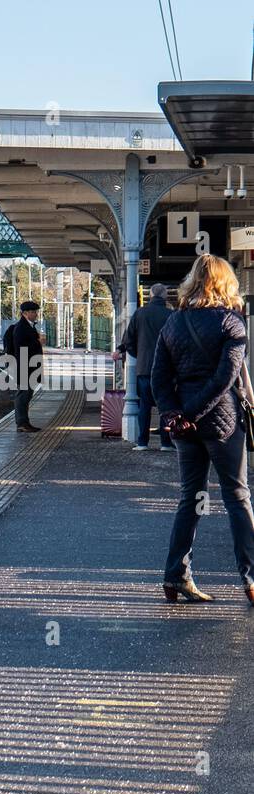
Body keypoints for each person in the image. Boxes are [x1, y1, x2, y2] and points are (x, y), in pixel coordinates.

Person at [152, 253, 254, 603]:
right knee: (237, 498)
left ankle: (176, 575)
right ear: (226, 283)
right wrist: (191, 413)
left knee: (190, 499)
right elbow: (225, 379)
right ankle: (251, 579)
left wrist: (174, 415)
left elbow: (159, 377)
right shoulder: (232, 323)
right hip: (222, 424)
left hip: (186, 426)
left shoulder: (173, 323)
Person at [116, 282, 175, 451]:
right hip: (166, 369)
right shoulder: (171, 315)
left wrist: (139, 355)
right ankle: (166, 442)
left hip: (144, 368)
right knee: (165, 406)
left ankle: (142, 442)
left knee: (144, 406)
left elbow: (128, 340)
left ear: (150, 296)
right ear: (165, 296)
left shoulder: (139, 314)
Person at [1, 300, 43, 431]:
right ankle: (22, 423)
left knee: (26, 395)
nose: (36, 314)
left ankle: (24, 423)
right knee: (23, 395)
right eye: (33, 312)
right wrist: (38, 342)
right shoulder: (21, 328)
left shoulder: (29, 326)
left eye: (36, 311)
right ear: (25, 313)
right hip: (24, 365)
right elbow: (21, 348)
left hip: (28, 365)